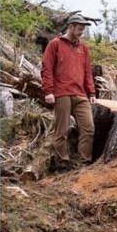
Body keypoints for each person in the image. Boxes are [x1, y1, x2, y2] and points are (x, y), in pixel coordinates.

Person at [41, 13, 96, 168]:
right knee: (61, 131)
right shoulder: (55, 44)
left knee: (88, 128)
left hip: (80, 94)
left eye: (83, 29)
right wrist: (48, 91)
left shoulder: (83, 48)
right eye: (79, 29)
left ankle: (83, 162)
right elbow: (46, 68)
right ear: (71, 27)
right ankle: (63, 162)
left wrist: (91, 92)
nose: (81, 32)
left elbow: (87, 72)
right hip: (61, 93)